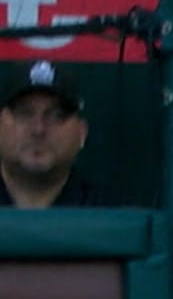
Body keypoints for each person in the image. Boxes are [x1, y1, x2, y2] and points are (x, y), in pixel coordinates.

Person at [0, 59, 106, 208]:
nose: (38, 129)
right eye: (24, 113)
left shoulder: (113, 215)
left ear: (82, 133)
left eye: (57, 116)